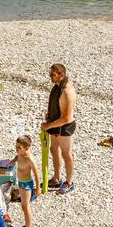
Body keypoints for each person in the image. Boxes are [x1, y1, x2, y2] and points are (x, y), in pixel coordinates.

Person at [41, 63, 77, 194]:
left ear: (62, 75)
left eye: (53, 75)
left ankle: (69, 182)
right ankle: (56, 178)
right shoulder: (57, 87)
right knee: (53, 149)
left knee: (66, 154)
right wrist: (50, 117)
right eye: (50, 74)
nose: (50, 77)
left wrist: (48, 125)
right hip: (56, 123)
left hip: (65, 127)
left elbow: (66, 118)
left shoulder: (67, 92)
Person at [12, 135, 39, 227]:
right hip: (21, 183)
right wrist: (12, 161)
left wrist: (38, 188)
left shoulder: (28, 158)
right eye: (16, 146)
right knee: (23, 205)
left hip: (27, 184)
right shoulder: (20, 154)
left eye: (19, 147)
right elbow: (17, 157)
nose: (17, 149)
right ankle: (27, 226)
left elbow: (36, 173)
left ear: (27, 147)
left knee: (25, 206)